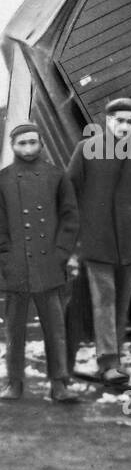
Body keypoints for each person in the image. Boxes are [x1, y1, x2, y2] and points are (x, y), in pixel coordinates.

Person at [66, 97, 131, 385]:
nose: (124, 126)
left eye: (130, 122)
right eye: (119, 120)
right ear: (107, 120)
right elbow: (69, 192)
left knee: (120, 303)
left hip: (128, 242)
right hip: (96, 241)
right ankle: (107, 363)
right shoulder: (86, 150)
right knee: (105, 299)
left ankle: (111, 359)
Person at [0, 122, 81, 402]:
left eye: (33, 142)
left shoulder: (56, 177)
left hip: (49, 263)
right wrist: (6, 257)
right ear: (12, 146)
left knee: (55, 327)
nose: (28, 148)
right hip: (16, 266)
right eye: (22, 143)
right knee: (14, 328)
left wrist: (61, 252)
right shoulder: (3, 179)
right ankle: (14, 382)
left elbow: (70, 217)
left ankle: (59, 383)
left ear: (41, 143)